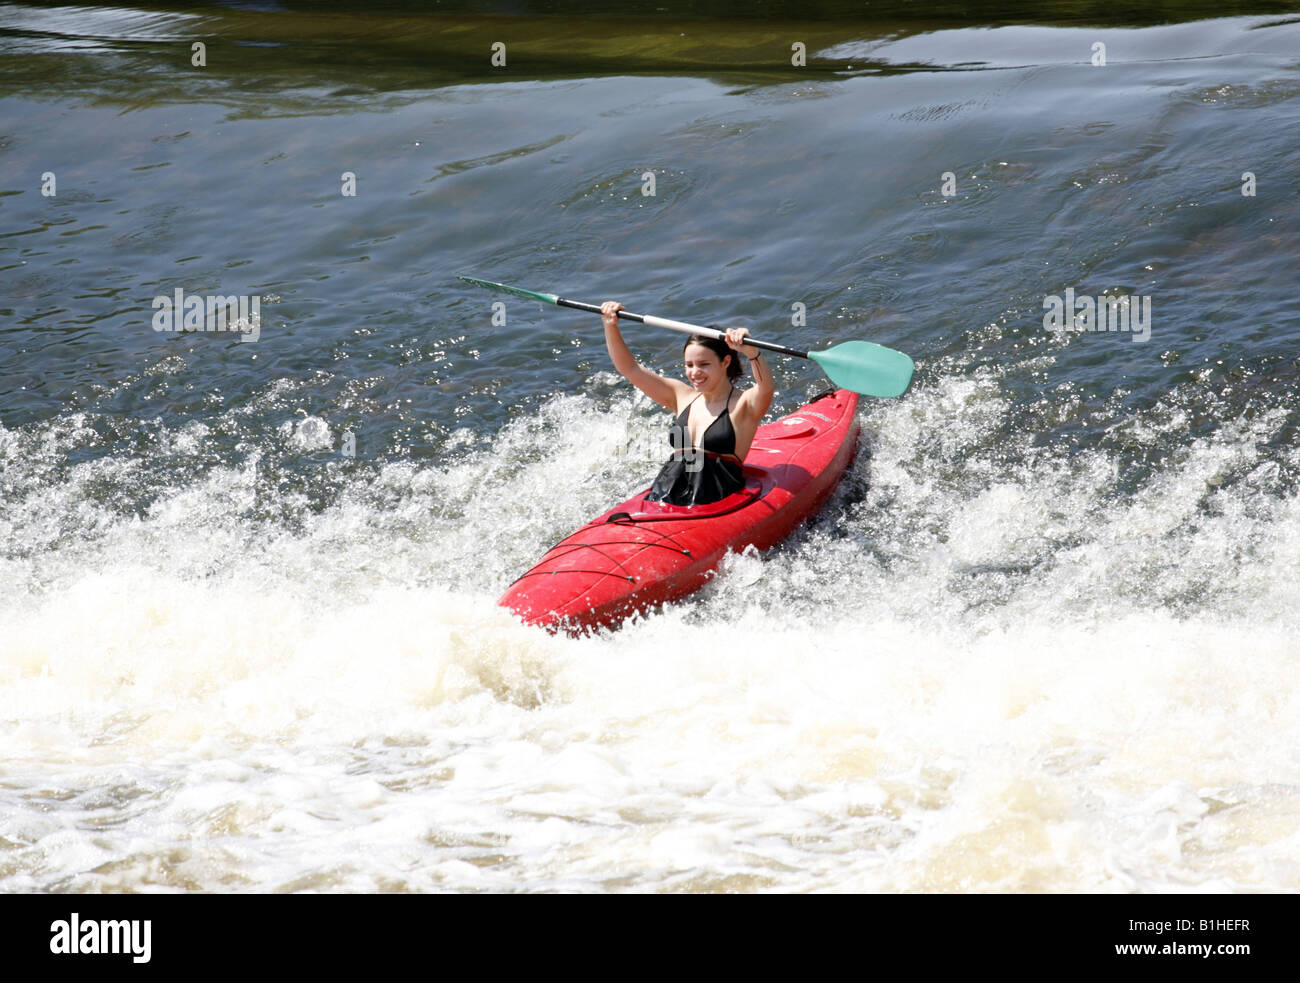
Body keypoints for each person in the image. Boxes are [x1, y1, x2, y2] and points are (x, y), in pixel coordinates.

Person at [601, 300, 775, 506]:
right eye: (689, 365)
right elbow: (630, 369)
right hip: (666, 496)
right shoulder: (681, 396)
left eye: (704, 364)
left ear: (725, 362)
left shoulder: (744, 404)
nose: (694, 372)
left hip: (714, 502)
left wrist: (751, 352)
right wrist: (610, 325)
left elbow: (766, 388)